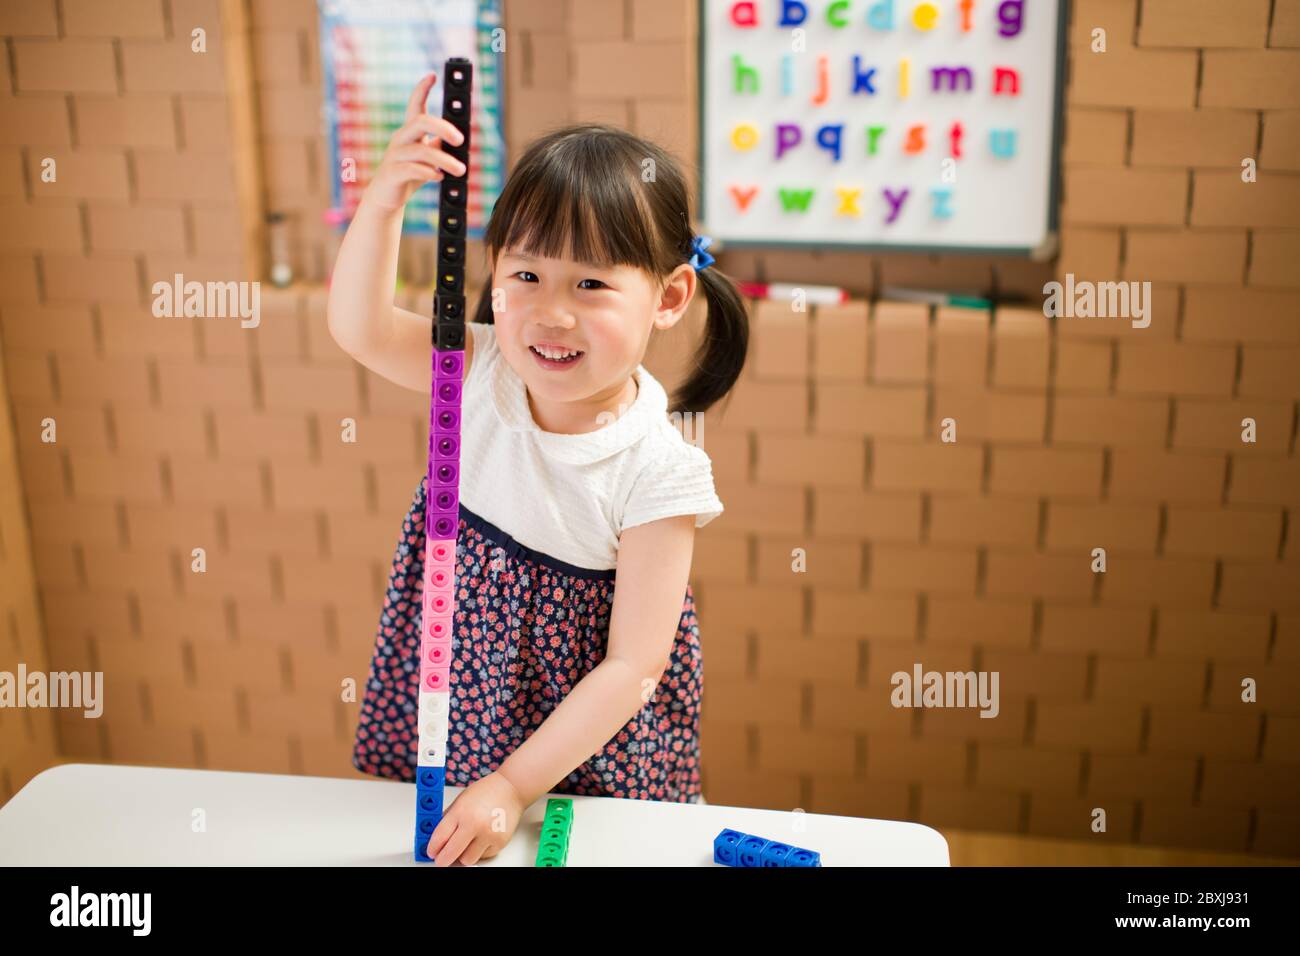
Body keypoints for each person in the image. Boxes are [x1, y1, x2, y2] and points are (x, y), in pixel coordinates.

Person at [326, 72, 749, 865]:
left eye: (590, 284)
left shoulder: (661, 469)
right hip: (468, 699)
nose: (552, 312)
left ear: (669, 296)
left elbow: (634, 665)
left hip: (585, 747)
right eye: (525, 275)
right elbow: (359, 328)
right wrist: (381, 205)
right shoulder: (480, 369)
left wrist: (515, 787)